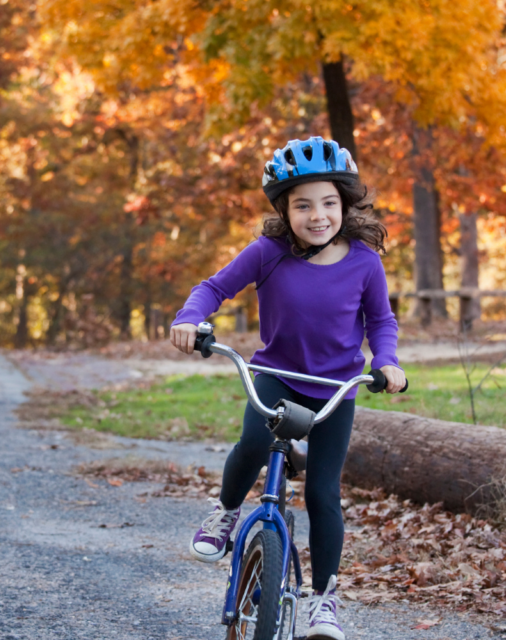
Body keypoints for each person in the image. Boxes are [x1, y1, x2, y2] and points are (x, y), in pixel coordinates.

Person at [169, 137, 407, 640]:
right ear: (284, 209)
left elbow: (381, 322)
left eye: (327, 203)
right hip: (276, 376)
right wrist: (192, 317)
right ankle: (227, 512)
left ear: (344, 204)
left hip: (335, 387)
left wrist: (386, 362)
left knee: (323, 493)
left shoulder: (365, 262)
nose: (317, 215)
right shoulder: (268, 253)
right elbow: (212, 288)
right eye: (302, 205)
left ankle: (325, 601)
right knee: (254, 444)